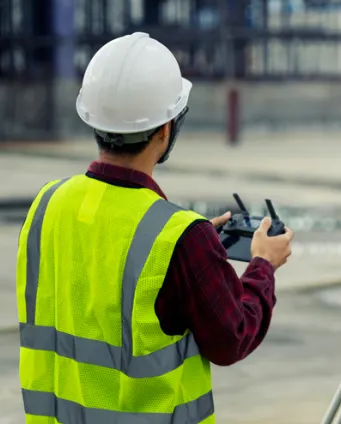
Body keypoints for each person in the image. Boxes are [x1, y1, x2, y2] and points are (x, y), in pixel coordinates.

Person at [16, 32, 294, 422]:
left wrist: (193, 253)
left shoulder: (48, 203)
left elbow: (99, 275)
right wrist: (263, 266)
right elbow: (232, 338)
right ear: (165, 129)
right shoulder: (180, 237)